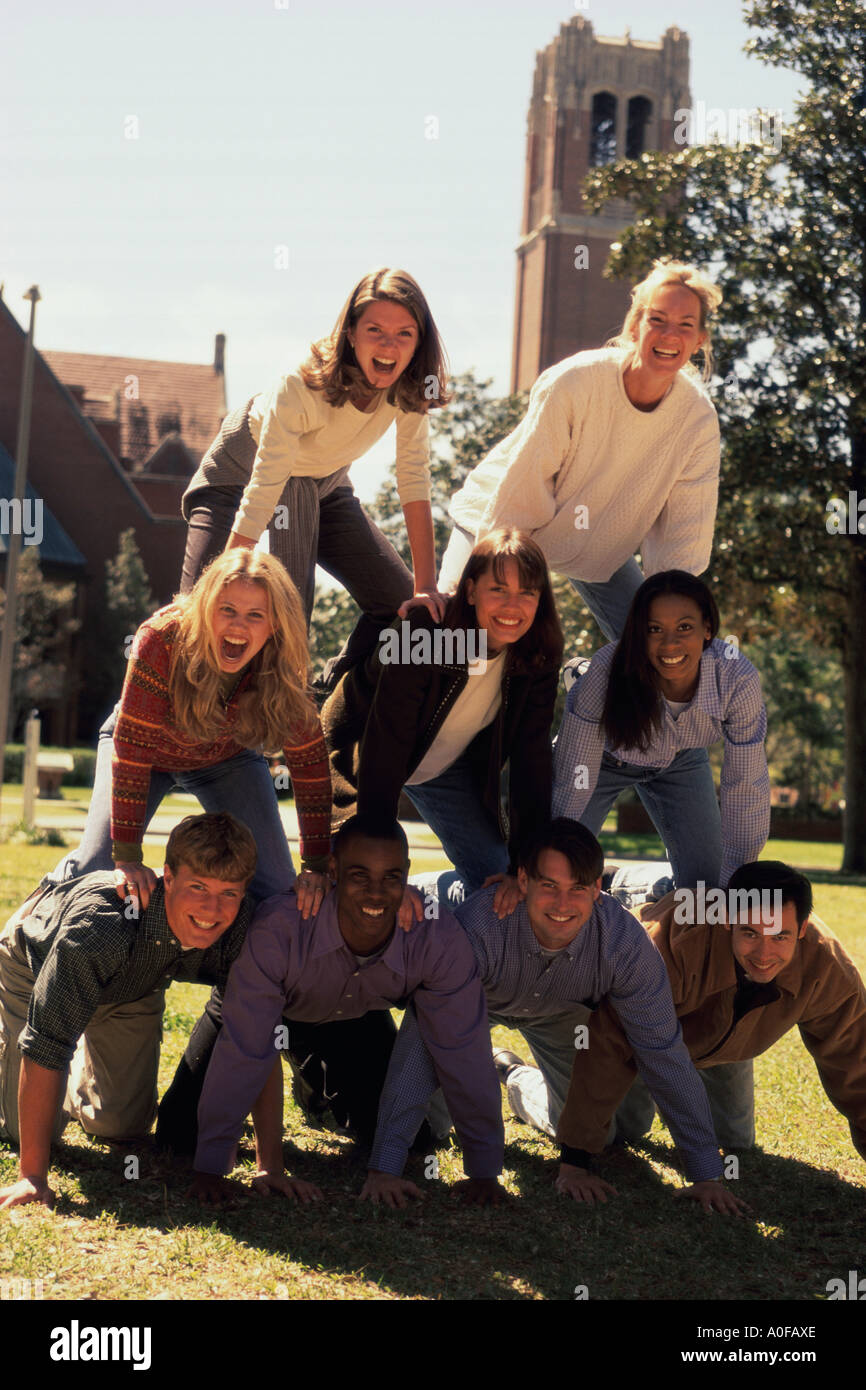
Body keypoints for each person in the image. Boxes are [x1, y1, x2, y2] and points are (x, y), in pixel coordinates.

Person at [382, 819, 746, 1215]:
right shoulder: (477, 929)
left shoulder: (625, 945)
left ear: (596, 891)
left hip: (558, 1012)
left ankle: (513, 1075)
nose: (562, 905)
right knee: (428, 1132)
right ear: (522, 882)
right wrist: (385, 1167)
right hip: (472, 1008)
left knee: (603, 1134)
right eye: (549, 886)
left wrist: (706, 1175)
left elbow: (663, 1053)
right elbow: (421, 1040)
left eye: (577, 889)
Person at [190, 816, 507, 1210]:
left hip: (354, 1016)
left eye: (391, 877)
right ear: (334, 871)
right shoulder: (280, 928)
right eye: (360, 876)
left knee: (415, 1142)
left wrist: (484, 1171)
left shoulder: (436, 937)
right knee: (181, 1136)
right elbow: (247, 1048)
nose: (376, 893)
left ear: (407, 876)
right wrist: (213, 1165)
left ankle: (312, 1092)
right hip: (263, 1009)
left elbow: (463, 1050)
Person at [181, 266, 452, 684]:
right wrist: (226, 579)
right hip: (239, 480)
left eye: (404, 334)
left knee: (402, 606)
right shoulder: (302, 386)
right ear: (350, 333)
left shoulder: (409, 390)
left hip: (324, 485)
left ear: (419, 343)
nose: (388, 345)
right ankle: (133, 723)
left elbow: (414, 478)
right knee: (202, 611)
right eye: (375, 330)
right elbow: (266, 485)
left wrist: (427, 585)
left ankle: (322, 698)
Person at [439, 259, 722, 641]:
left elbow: (682, 543)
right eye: (657, 319)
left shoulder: (698, 421)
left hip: (596, 540)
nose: (670, 334)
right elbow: (524, 487)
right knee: (451, 627)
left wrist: (674, 618)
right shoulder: (576, 382)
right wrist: (494, 585)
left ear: (699, 340)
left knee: (656, 644)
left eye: (685, 325)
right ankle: (348, 682)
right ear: (636, 325)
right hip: (500, 516)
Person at [41, 549, 332, 911]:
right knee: (99, 870)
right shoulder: (161, 639)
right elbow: (132, 750)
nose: (239, 626)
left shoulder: (283, 662)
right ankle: (31, 924)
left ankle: (232, 965)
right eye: (227, 610)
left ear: (274, 625)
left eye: (255, 615)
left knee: (276, 890)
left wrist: (317, 864)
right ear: (206, 606)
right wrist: (128, 856)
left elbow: (310, 766)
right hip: (143, 751)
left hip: (228, 757)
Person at [0, 814, 257, 1212]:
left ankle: (81, 1049)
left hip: (135, 985)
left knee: (122, 1126)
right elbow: (46, 1043)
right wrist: (33, 1178)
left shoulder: (241, 925)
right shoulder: (103, 924)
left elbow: (254, 1033)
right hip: (33, 963)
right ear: (166, 878)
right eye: (198, 887)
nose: (211, 907)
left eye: (229, 892)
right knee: (30, 1134)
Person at [556, 861, 866, 1168]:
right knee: (624, 1129)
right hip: (643, 1011)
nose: (763, 955)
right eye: (750, 933)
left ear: (802, 928)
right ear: (729, 920)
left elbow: (856, 1064)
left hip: (722, 1039)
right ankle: (519, 1078)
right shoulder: (670, 946)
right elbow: (607, 1038)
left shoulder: (825, 966)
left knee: (734, 1141)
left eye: (780, 937)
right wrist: (575, 1156)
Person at [322, 529, 563, 910]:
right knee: (363, 890)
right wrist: (383, 865)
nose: (512, 607)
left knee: (501, 884)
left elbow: (531, 760)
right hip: (360, 757)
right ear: (470, 591)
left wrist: (523, 866)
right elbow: (386, 743)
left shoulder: (539, 654)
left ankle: (435, 892)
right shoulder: (425, 631)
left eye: (527, 593)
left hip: (444, 769)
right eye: (498, 590)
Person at [553, 570, 770, 892]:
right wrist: (554, 852)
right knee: (560, 871)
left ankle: (622, 884)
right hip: (604, 757)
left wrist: (737, 879)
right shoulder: (606, 673)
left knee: (706, 890)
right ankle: (579, 680)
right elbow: (574, 776)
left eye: (685, 627)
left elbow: (746, 784)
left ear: (707, 628)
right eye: (654, 629)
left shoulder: (736, 678)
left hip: (681, 759)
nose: (670, 643)